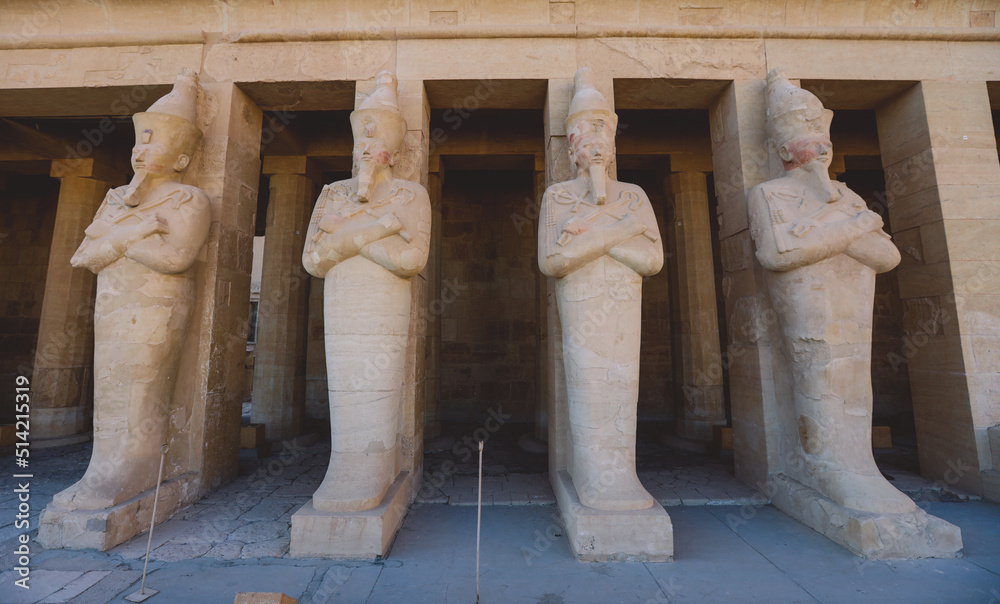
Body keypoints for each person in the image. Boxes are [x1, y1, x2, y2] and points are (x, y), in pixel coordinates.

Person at [747, 69, 914, 514]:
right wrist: (855, 227)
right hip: (808, 309)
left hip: (852, 307)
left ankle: (860, 468)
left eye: (825, 139)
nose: (821, 147)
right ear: (785, 150)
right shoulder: (770, 194)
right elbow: (777, 253)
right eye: (810, 138)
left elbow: (887, 256)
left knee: (856, 384)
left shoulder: (845, 195)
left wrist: (835, 227)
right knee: (818, 375)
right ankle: (826, 467)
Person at [54, 68, 210, 510]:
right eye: (139, 143)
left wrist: (118, 237)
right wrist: (137, 231)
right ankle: (102, 468)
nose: (141, 151)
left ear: (181, 159)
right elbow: (84, 257)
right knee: (110, 387)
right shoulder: (116, 197)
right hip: (112, 304)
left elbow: (176, 259)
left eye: (153, 144)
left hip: (157, 307)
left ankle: (134, 465)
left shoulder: (188, 199)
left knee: (143, 388)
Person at [302, 71, 431, 511]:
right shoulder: (334, 193)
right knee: (346, 384)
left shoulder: (410, 195)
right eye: (361, 141)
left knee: (377, 383)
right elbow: (314, 260)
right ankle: (347, 462)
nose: (365, 149)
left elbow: (411, 261)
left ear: (392, 153)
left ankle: (374, 464)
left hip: (385, 301)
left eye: (375, 143)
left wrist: (347, 236)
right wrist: (377, 231)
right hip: (342, 299)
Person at [538, 68, 663, 511]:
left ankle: (620, 474)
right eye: (585, 139)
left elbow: (652, 260)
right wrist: (619, 232)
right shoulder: (558, 197)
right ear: (571, 148)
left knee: (622, 384)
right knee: (588, 382)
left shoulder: (633, 196)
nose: (595, 146)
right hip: (580, 301)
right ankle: (592, 474)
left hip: (624, 301)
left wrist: (595, 236)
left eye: (603, 138)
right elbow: (553, 261)